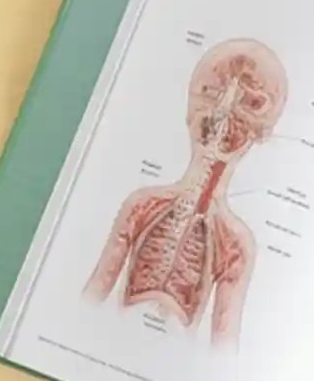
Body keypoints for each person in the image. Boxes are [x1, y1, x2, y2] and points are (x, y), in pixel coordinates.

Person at [82, 39, 288, 348]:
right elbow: (92, 297)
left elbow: (223, 347)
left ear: (262, 131)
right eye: (214, 92)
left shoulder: (236, 244)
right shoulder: (142, 205)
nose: (224, 109)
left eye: (251, 102)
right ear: (190, 109)